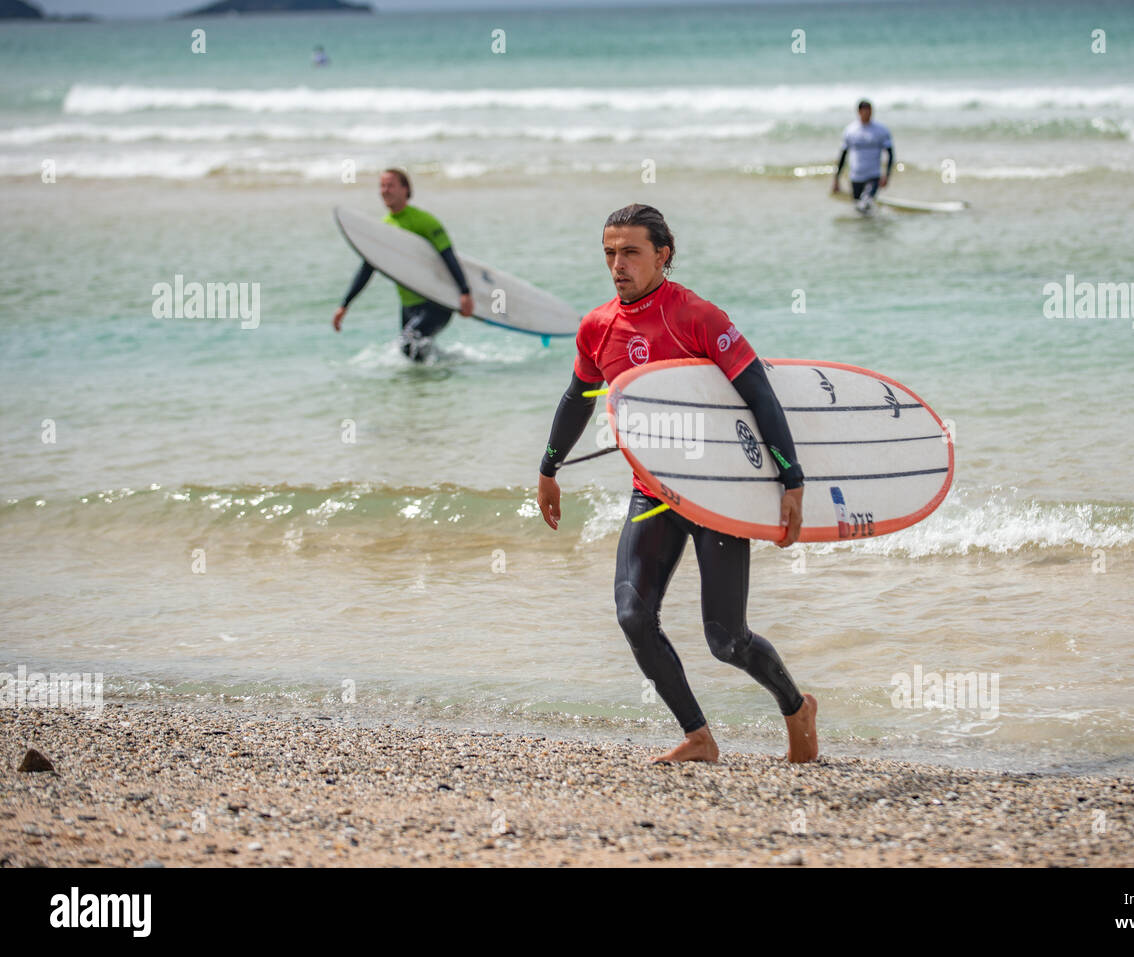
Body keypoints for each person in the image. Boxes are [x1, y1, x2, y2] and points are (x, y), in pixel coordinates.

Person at [535, 203, 819, 764]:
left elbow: (758, 392)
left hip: (715, 493)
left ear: (663, 254)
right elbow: (578, 399)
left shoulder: (697, 316)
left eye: (631, 252)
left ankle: (795, 705)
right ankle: (698, 737)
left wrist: (791, 479)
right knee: (633, 616)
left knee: (727, 641)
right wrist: (549, 468)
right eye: (610, 254)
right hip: (653, 491)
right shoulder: (597, 326)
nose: (618, 265)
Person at [332, 169, 474, 362]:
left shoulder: (424, 221)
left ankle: (434, 383)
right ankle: (446, 372)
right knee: (415, 354)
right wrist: (345, 305)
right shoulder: (383, 227)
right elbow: (367, 268)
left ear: (405, 189)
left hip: (436, 303)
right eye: (382, 186)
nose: (385, 190)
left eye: (390, 185)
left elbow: (448, 256)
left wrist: (464, 293)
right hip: (408, 306)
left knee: (409, 347)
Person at [831, 99, 894, 212]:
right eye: (865, 111)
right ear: (859, 112)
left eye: (870, 111)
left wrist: (887, 175)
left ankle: (871, 226)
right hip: (856, 176)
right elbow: (843, 156)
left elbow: (890, 154)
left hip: (873, 175)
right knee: (858, 207)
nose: (868, 114)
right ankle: (865, 227)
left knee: (865, 202)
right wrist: (836, 179)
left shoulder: (881, 130)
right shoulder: (850, 130)